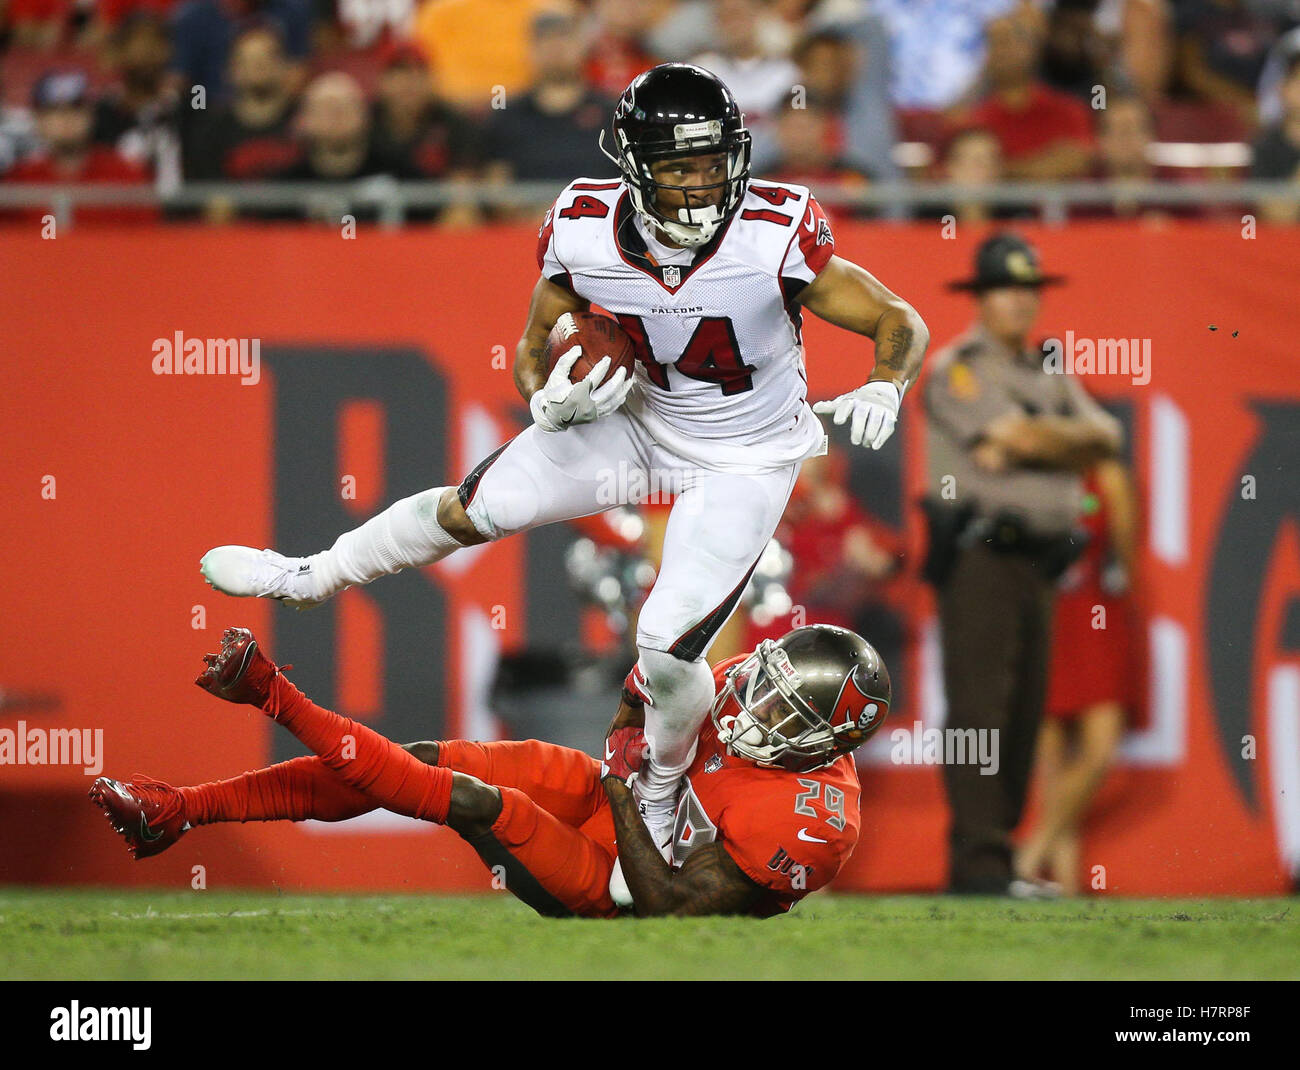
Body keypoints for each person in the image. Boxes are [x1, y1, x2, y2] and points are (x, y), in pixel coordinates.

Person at [198, 64, 928, 898]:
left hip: (745, 456)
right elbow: (532, 347)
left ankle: (655, 795)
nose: (704, 183)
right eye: (681, 165)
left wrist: (885, 381)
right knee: (478, 507)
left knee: (665, 648)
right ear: (637, 164)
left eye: (714, 161)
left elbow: (895, 317)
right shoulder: (581, 226)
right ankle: (309, 575)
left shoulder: (774, 228)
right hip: (633, 421)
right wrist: (548, 398)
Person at [90, 623, 892, 918]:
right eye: (764, 681)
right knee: (420, 761)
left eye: (783, 711)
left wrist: (626, 783)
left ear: (824, 744)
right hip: (617, 802)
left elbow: (668, 904)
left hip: (620, 886)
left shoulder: (811, 822)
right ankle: (178, 812)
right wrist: (626, 738)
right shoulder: (752, 676)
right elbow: (641, 698)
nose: (752, 702)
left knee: (473, 800)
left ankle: (272, 692)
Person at [923, 232, 1122, 897]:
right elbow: (1022, 434)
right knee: (980, 709)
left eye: (1027, 288)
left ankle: (998, 859)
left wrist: (1042, 442)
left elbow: (1107, 437)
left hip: (1041, 562)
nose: (1018, 301)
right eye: (1005, 288)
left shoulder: (1049, 368)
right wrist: (1061, 442)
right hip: (981, 554)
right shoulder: (960, 366)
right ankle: (976, 863)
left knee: (1022, 712)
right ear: (980, 299)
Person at [1016, 459, 1137, 894]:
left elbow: (1126, 557)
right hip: (1046, 618)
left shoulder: (1106, 476)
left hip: (1094, 616)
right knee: (1050, 769)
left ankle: (1028, 856)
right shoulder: (1029, 474)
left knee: (1099, 750)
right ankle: (1066, 891)